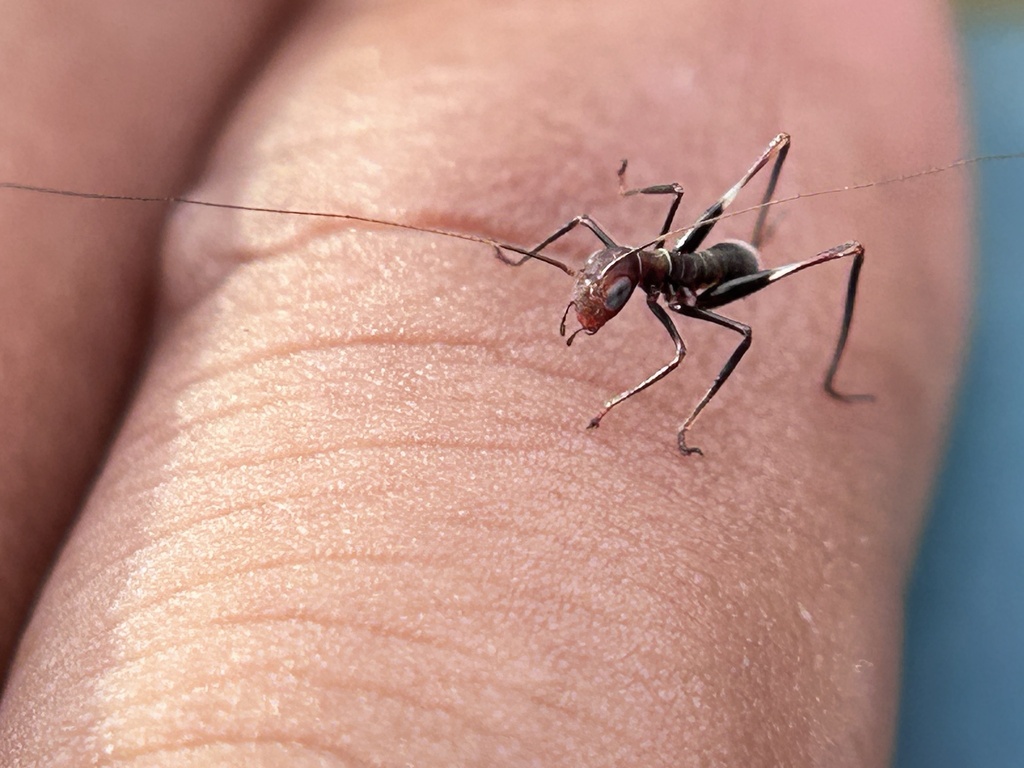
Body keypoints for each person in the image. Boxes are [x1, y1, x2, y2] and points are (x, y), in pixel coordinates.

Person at [0, 1, 970, 764]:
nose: (597, 292)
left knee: (800, 278)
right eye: (600, 287)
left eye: (604, 291)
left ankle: (836, 371)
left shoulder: (680, 303)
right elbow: (595, 245)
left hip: (737, 268)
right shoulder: (617, 253)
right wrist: (543, 265)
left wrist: (647, 416)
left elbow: (686, 350)